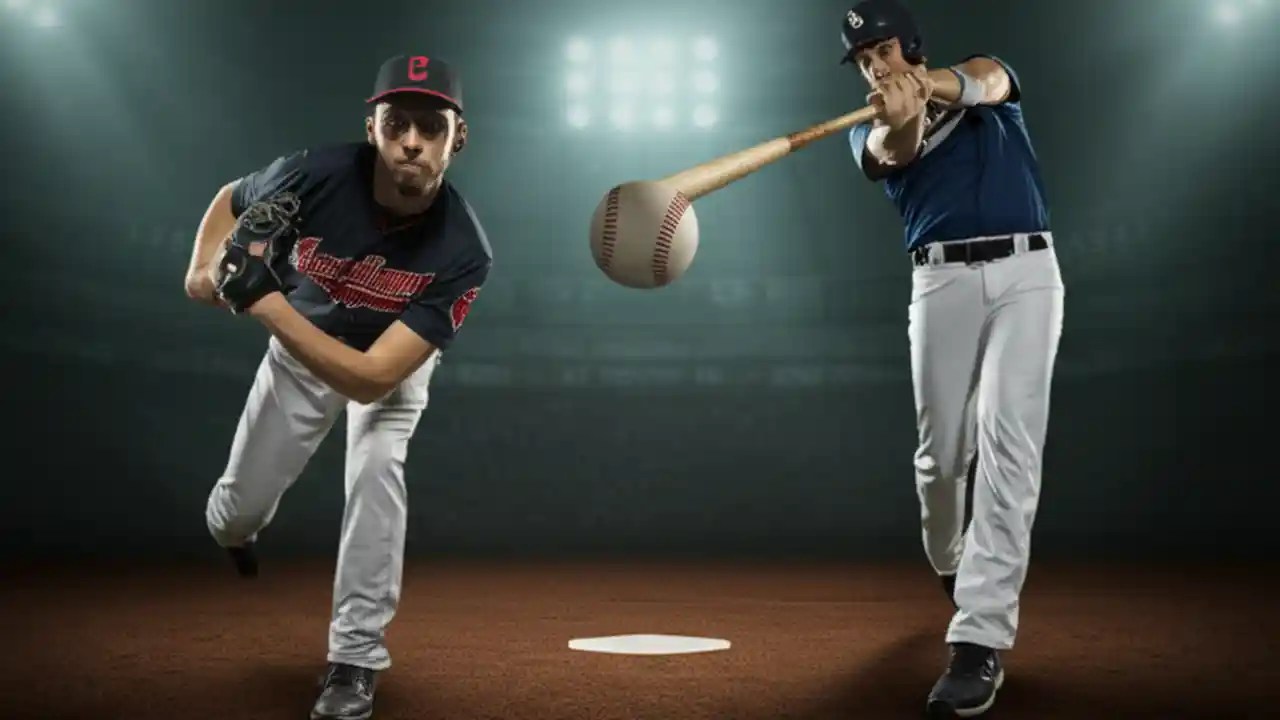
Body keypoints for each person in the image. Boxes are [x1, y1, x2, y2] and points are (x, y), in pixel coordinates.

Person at [181, 53, 492, 720]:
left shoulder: (464, 251)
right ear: (372, 128)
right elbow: (232, 196)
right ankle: (236, 534)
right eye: (397, 122)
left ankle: (355, 660)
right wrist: (205, 275)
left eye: (431, 126)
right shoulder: (313, 173)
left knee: (380, 463)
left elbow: (373, 378)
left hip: (386, 365)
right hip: (299, 354)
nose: (412, 140)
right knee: (234, 514)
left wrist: (261, 299)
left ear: (457, 137)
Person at [839, 1, 1065, 717]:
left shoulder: (980, 72)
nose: (874, 63)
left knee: (1009, 442)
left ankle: (978, 640)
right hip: (940, 281)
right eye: (862, 58)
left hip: (1030, 271)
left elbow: (985, 83)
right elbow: (893, 153)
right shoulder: (866, 130)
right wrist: (899, 111)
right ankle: (950, 560)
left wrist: (926, 85)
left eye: (881, 48)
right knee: (941, 458)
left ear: (908, 43)